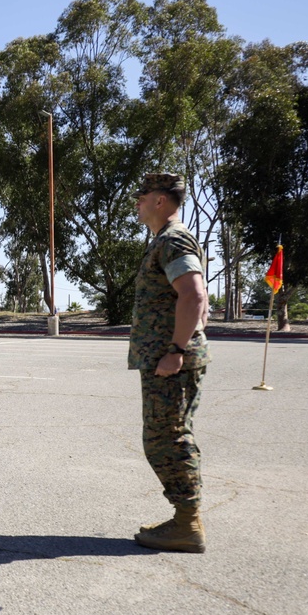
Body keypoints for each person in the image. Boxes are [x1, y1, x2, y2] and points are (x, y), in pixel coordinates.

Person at [129, 173, 211, 553]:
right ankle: (185, 519)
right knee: (165, 436)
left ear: (160, 200)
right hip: (167, 358)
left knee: (167, 439)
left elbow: (193, 296)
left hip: (171, 360)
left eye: (142, 196)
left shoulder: (173, 239)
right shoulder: (165, 240)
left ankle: (187, 524)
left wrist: (177, 348)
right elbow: (196, 298)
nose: (138, 202)